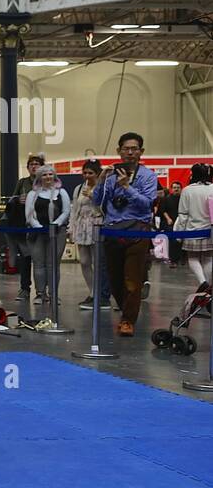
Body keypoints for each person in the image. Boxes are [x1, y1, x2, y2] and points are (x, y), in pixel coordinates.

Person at [93, 132, 158, 337]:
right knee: (114, 280)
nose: (130, 152)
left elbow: (147, 203)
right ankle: (126, 312)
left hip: (138, 231)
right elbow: (97, 201)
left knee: (132, 278)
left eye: (134, 149)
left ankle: (128, 320)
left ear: (141, 151)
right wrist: (101, 181)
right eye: (126, 149)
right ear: (119, 151)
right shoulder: (111, 175)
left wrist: (127, 188)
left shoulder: (148, 176)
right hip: (112, 230)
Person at [24, 164, 71, 308]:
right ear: (40, 177)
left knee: (53, 264)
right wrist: (38, 227)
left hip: (57, 233)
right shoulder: (32, 194)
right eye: (44, 174)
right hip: (37, 234)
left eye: (50, 174)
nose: (48, 177)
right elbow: (29, 214)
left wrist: (56, 224)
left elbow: (66, 211)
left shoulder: (62, 193)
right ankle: (40, 293)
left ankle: (53, 294)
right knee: (38, 264)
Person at [69, 159, 110, 309]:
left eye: (90, 173)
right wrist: (71, 228)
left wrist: (93, 195)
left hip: (96, 224)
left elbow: (105, 207)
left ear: (97, 174)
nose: (87, 175)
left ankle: (101, 293)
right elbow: (75, 209)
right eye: (85, 172)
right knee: (84, 261)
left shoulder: (102, 187)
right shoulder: (79, 188)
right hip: (81, 225)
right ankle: (92, 292)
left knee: (98, 262)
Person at [4, 152, 44, 300]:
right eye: (31, 164)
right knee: (26, 258)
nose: (34, 167)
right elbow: (12, 199)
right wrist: (18, 199)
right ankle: (25, 288)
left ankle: (43, 291)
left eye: (37, 164)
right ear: (27, 168)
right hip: (24, 224)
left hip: (41, 224)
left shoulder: (46, 181)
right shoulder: (22, 182)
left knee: (41, 260)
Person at [175, 163, 213, 287]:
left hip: (191, 231)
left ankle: (202, 282)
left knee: (192, 258)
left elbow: (183, 214)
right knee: (208, 259)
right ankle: (208, 286)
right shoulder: (212, 188)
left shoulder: (187, 190)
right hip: (209, 231)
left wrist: (179, 234)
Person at [161, 181, 184, 266]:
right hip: (170, 223)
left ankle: (182, 258)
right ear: (171, 189)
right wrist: (168, 219)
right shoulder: (166, 199)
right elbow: (163, 210)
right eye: (174, 188)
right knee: (173, 242)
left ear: (181, 189)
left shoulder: (183, 198)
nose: (176, 189)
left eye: (178, 188)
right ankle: (173, 260)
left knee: (182, 241)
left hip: (182, 223)